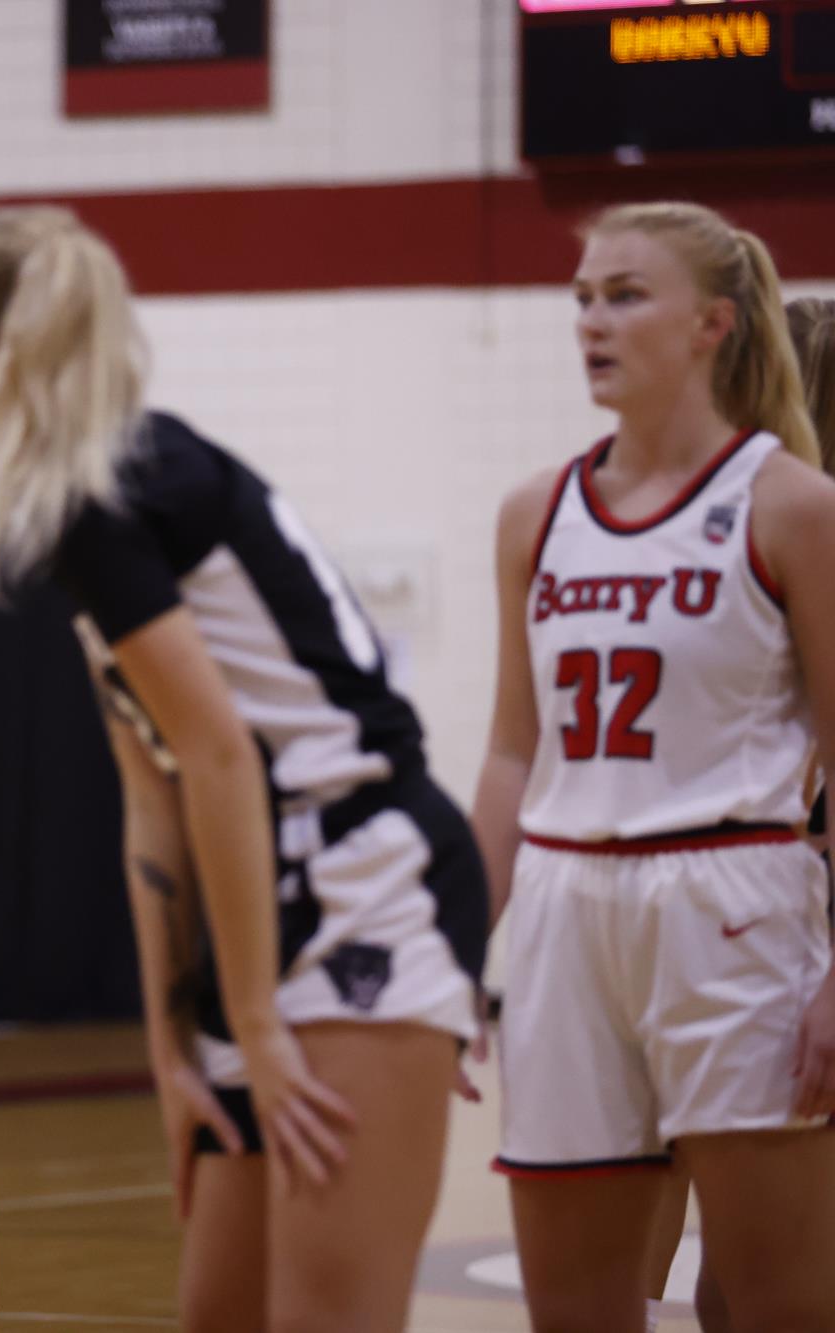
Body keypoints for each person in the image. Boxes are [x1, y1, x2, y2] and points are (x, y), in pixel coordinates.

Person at [0, 204, 490, 1332]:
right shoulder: (77, 497)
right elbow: (156, 796)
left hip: (361, 869)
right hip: (258, 902)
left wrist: (262, 1022)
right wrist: (176, 1046)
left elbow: (223, 757)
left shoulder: (116, 485)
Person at [471, 201, 835, 1333]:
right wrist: (447, 954)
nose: (590, 318)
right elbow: (506, 754)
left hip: (734, 902)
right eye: (580, 296)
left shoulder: (792, 505)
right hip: (562, 903)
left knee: (770, 1296)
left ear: (710, 324)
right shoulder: (533, 511)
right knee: (576, 1303)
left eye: (623, 294)